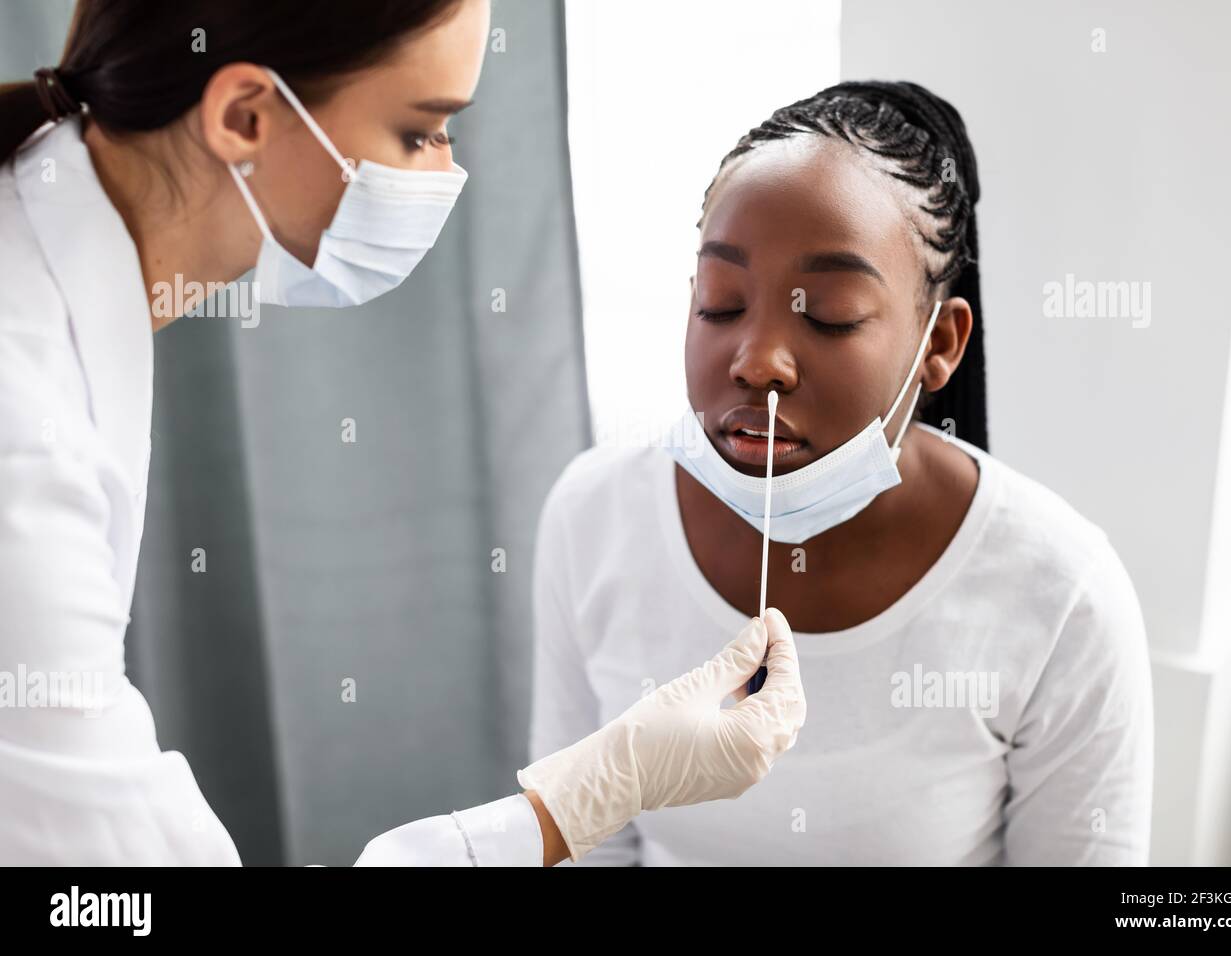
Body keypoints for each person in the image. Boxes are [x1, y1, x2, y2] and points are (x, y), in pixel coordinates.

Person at [0, 0, 806, 866]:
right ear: (245, 116)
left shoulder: (57, 263)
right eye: (421, 131)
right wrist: (591, 794)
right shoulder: (23, 427)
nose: (448, 171)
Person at [529, 81, 1154, 865]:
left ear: (941, 344)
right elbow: (582, 842)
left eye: (828, 314)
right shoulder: (592, 517)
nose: (757, 360)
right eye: (721, 303)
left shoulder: (1063, 594)